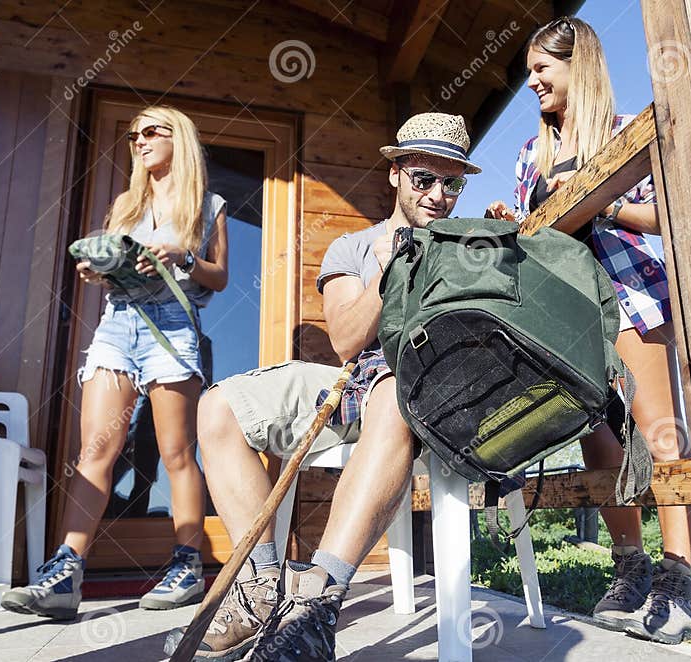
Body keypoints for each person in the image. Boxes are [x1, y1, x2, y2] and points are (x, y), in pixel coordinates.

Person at [163, 112, 479, 661]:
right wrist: (389, 274)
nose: (437, 195)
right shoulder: (354, 250)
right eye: (424, 178)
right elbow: (347, 342)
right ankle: (262, 591)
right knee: (218, 407)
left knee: (393, 390)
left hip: (425, 394)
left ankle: (315, 606)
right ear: (396, 174)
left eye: (451, 183)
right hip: (352, 381)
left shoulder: (471, 247)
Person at [486, 16, 691, 645]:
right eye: (528, 73)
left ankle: (677, 577)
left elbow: (669, 211)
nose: (532, 84)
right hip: (569, 314)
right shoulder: (534, 152)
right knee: (597, 441)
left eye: (541, 70)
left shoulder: (625, 132)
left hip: (630, 296)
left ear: (577, 63)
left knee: (660, 434)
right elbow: (534, 229)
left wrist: (603, 200)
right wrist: (513, 218)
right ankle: (630, 567)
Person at [1, 106, 229, 619]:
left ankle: (187, 565)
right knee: (95, 452)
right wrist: (96, 270)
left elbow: (218, 277)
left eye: (152, 132)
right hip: (118, 323)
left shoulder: (207, 203)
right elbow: (110, 258)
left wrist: (182, 256)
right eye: (134, 136)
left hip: (173, 324)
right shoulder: (127, 202)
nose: (141, 141)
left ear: (180, 138)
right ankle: (65, 574)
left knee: (175, 454)